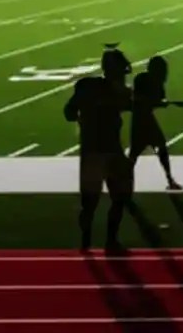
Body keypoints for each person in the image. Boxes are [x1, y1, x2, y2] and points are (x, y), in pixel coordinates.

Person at [64, 43, 134, 253]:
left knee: (90, 202)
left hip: (90, 149)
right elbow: (131, 105)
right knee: (119, 196)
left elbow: (68, 112)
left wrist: (84, 121)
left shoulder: (86, 86)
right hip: (110, 150)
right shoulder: (119, 91)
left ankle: (86, 243)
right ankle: (110, 241)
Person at [129, 56, 183, 191]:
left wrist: (163, 103)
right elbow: (139, 99)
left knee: (156, 150)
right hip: (141, 119)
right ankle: (123, 181)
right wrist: (162, 103)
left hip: (145, 118)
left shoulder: (153, 81)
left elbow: (158, 100)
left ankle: (170, 179)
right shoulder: (142, 79)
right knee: (138, 153)